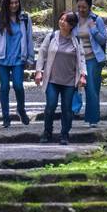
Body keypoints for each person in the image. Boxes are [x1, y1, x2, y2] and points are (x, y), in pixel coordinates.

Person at [35, 12, 86, 144]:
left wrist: (83, 75)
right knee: (50, 105)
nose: (62, 22)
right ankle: (47, 132)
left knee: (67, 108)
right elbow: (42, 53)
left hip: (69, 81)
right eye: (61, 18)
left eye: (66, 21)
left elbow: (82, 59)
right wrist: (38, 71)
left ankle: (64, 134)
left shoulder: (76, 40)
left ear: (71, 25)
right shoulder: (52, 36)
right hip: (52, 79)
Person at [0, 0, 34, 127]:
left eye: (16, 2)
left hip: (19, 59)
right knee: (4, 87)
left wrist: (30, 58)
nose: (14, 5)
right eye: (11, 3)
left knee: (18, 85)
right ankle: (6, 117)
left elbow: (29, 39)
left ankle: (21, 109)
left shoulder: (25, 19)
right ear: (6, 5)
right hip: (2, 59)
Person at [69, 0, 107, 125]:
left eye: (84, 7)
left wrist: (94, 29)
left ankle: (93, 119)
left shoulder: (97, 20)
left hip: (93, 58)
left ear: (90, 7)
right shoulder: (73, 19)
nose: (81, 10)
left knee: (91, 88)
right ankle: (73, 110)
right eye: (79, 7)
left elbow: (103, 40)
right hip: (77, 58)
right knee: (72, 86)